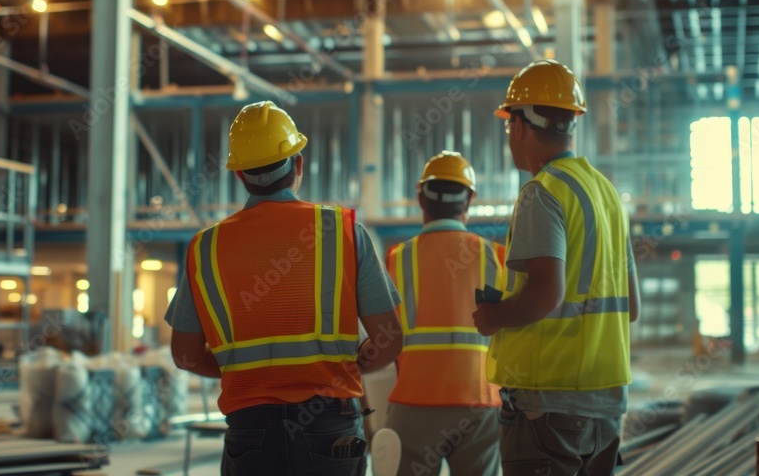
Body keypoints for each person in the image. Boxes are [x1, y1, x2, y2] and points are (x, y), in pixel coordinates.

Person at [164, 101, 403, 476]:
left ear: (239, 174)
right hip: (329, 428)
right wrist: (350, 364)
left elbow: (184, 355)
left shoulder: (204, 248)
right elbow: (389, 340)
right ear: (299, 164)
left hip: (250, 431)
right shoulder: (342, 232)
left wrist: (239, 374)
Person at [472, 60, 641, 475]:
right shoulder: (605, 194)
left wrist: (495, 316)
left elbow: (547, 294)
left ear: (519, 126)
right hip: (606, 406)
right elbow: (631, 307)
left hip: (548, 407)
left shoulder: (541, 193)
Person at [383, 151, 506, 476]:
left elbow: (380, 338)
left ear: (421, 197)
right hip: (479, 401)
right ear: (470, 198)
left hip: (413, 401)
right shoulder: (496, 256)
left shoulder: (396, 258)